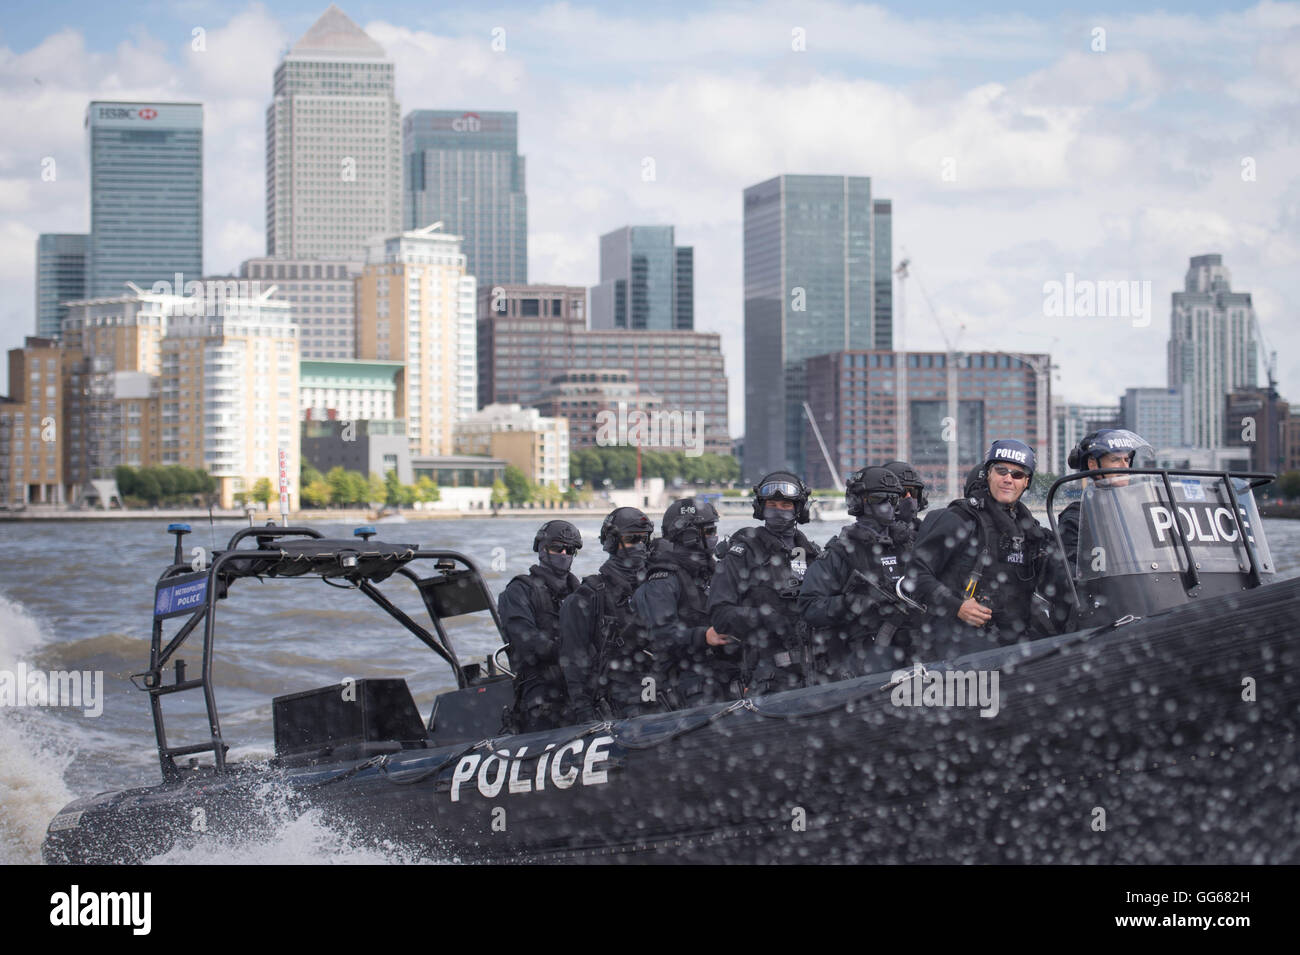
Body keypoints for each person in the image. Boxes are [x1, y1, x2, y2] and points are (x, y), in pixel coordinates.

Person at [904, 440, 1073, 660]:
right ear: (988, 474)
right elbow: (915, 575)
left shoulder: (1030, 531)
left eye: (1017, 475)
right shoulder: (958, 519)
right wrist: (958, 606)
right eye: (1001, 471)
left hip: (1012, 643)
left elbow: (1060, 576)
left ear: (1026, 482)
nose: (1008, 479)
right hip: (957, 644)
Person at [798, 467, 921, 680]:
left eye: (894, 499)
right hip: (862, 663)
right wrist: (851, 603)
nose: (890, 506)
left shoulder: (908, 546)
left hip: (911, 656)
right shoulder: (840, 553)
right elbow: (809, 606)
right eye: (882, 498)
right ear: (860, 502)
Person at [708, 471, 822, 695]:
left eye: (785, 504)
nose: (778, 510)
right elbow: (720, 615)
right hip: (769, 676)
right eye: (772, 503)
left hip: (817, 673)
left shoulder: (814, 555)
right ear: (761, 508)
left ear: (799, 508)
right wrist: (770, 618)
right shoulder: (743, 553)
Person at [634, 498, 739, 708]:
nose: (714, 537)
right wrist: (703, 636)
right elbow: (660, 636)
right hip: (688, 681)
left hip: (725, 673)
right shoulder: (663, 580)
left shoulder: (714, 572)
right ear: (690, 535)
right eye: (709, 531)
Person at [559, 507, 656, 722]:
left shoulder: (657, 587)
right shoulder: (587, 597)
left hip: (658, 694)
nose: (640, 546)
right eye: (632, 539)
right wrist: (585, 713)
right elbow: (574, 663)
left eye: (644, 539)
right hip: (615, 702)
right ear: (612, 542)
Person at [498, 520, 582, 732]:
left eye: (569, 550)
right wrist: (570, 651)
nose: (563, 554)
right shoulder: (519, 591)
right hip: (541, 692)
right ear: (542, 549)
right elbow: (526, 641)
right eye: (557, 548)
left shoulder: (582, 593)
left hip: (579, 690)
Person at [1057, 429, 1153, 571]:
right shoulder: (1078, 516)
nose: (1124, 466)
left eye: (1126, 460)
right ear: (1093, 465)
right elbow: (1072, 571)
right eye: (1115, 460)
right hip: (1105, 590)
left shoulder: (1140, 508)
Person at [881, 460, 929, 544]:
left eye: (913, 492)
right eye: (902, 493)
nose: (909, 498)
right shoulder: (870, 538)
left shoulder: (926, 533)